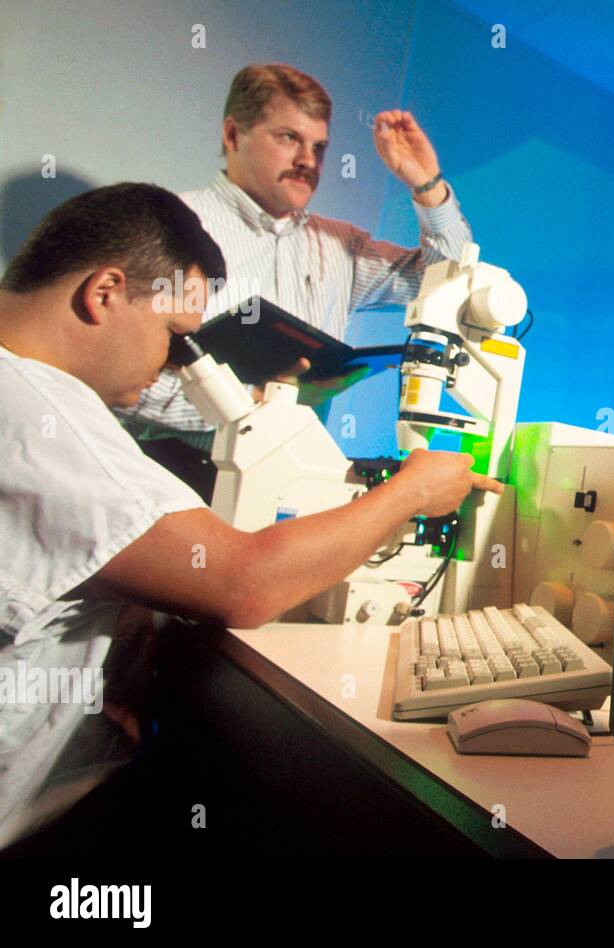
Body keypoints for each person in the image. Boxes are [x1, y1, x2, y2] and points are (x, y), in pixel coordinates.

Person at [0, 183, 501, 849]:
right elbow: (242, 582)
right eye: (175, 337)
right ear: (104, 293)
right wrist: (412, 490)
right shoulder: (40, 412)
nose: (170, 367)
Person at [116, 63, 474, 499]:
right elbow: (124, 387)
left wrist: (427, 184)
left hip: (289, 484)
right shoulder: (169, 226)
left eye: (319, 147)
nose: (308, 161)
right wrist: (264, 402)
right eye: (289, 138)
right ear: (233, 135)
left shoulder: (341, 246)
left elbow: (448, 282)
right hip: (167, 480)